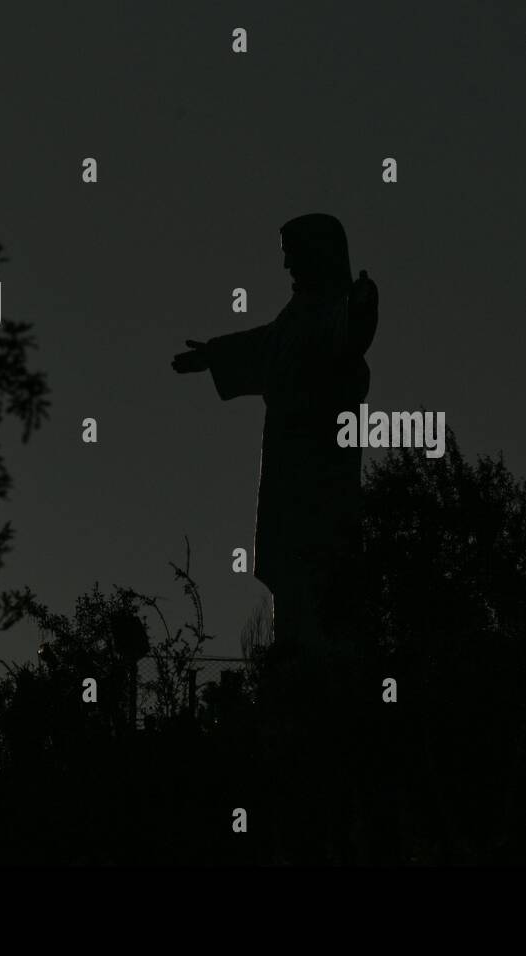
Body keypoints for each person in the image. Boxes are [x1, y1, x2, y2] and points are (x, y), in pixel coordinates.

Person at [172, 214, 378, 657]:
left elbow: (348, 335)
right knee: (293, 574)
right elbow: (264, 345)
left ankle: (318, 659)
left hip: (319, 474)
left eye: (292, 256)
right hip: (288, 467)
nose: (286, 266)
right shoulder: (299, 315)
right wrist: (213, 354)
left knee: (317, 569)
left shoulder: (331, 311)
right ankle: (297, 656)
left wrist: (362, 308)